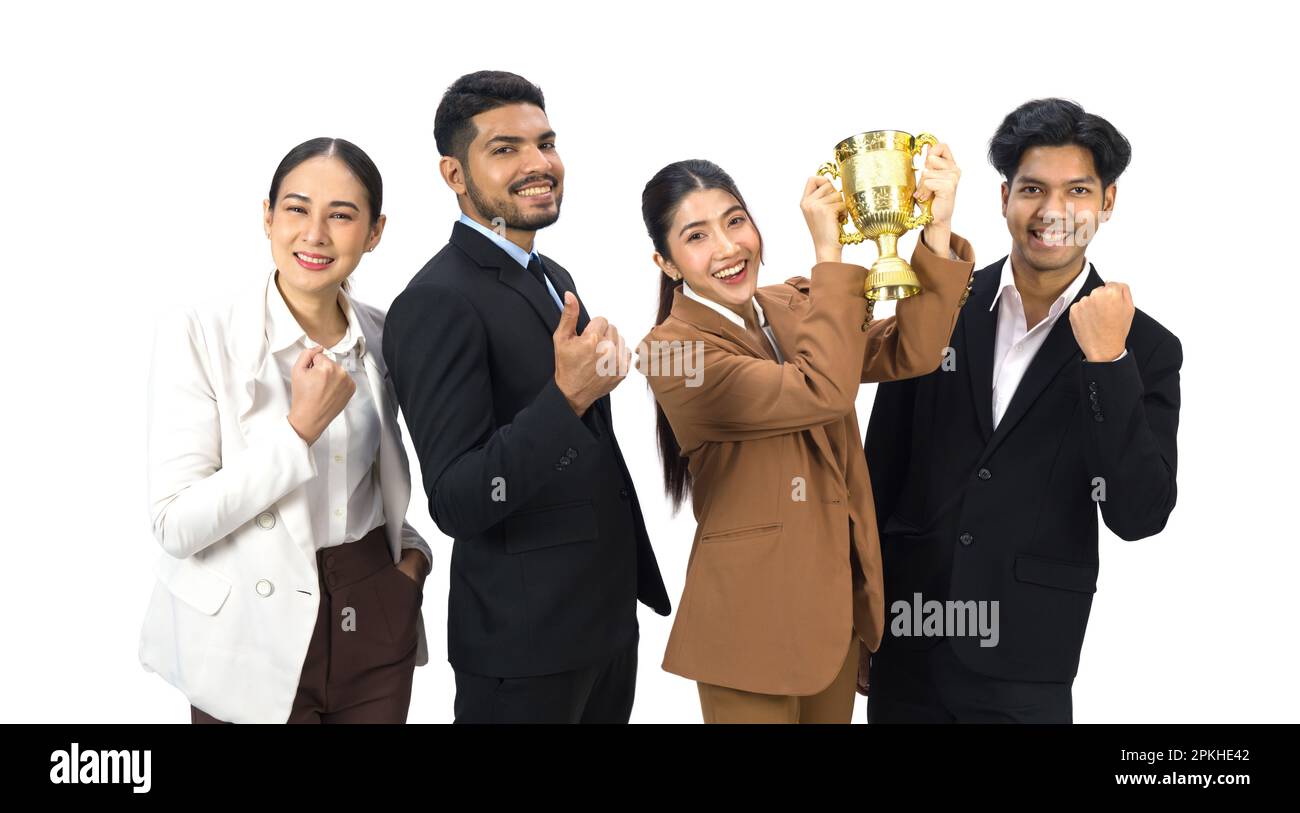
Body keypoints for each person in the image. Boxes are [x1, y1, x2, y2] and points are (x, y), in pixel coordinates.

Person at [865, 99, 1183, 723]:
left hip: (1027, 661)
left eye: (1078, 191)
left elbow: (1139, 514)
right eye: (1033, 189)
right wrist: (861, 619)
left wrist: (1107, 363)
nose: (1052, 211)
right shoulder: (939, 306)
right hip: (906, 641)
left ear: (1108, 202)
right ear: (1005, 196)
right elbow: (880, 470)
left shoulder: (1144, 348)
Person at [638, 152, 975, 723]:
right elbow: (822, 391)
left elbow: (912, 351)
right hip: (746, 632)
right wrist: (829, 257)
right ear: (666, 263)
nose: (728, 247)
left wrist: (935, 232)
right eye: (696, 236)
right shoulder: (673, 354)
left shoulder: (794, 304)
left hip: (833, 617)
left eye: (735, 221)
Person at [382, 70, 670, 724]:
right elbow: (457, 498)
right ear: (454, 175)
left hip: (602, 629)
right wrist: (567, 398)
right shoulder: (436, 301)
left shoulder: (551, 274)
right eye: (505, 148)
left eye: (546, 142)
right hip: (523, 649)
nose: (539, 163)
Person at [140, 137, 433, 723]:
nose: (315, 234)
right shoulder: (200, 334)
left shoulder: (384, 335)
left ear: (375, 232)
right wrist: (298, 431)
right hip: (246, 633)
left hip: (371, 610)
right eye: (297, 209)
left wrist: (410, 567)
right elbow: (175, 525)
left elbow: (390, 477)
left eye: (341, 215)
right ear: (268, 217)